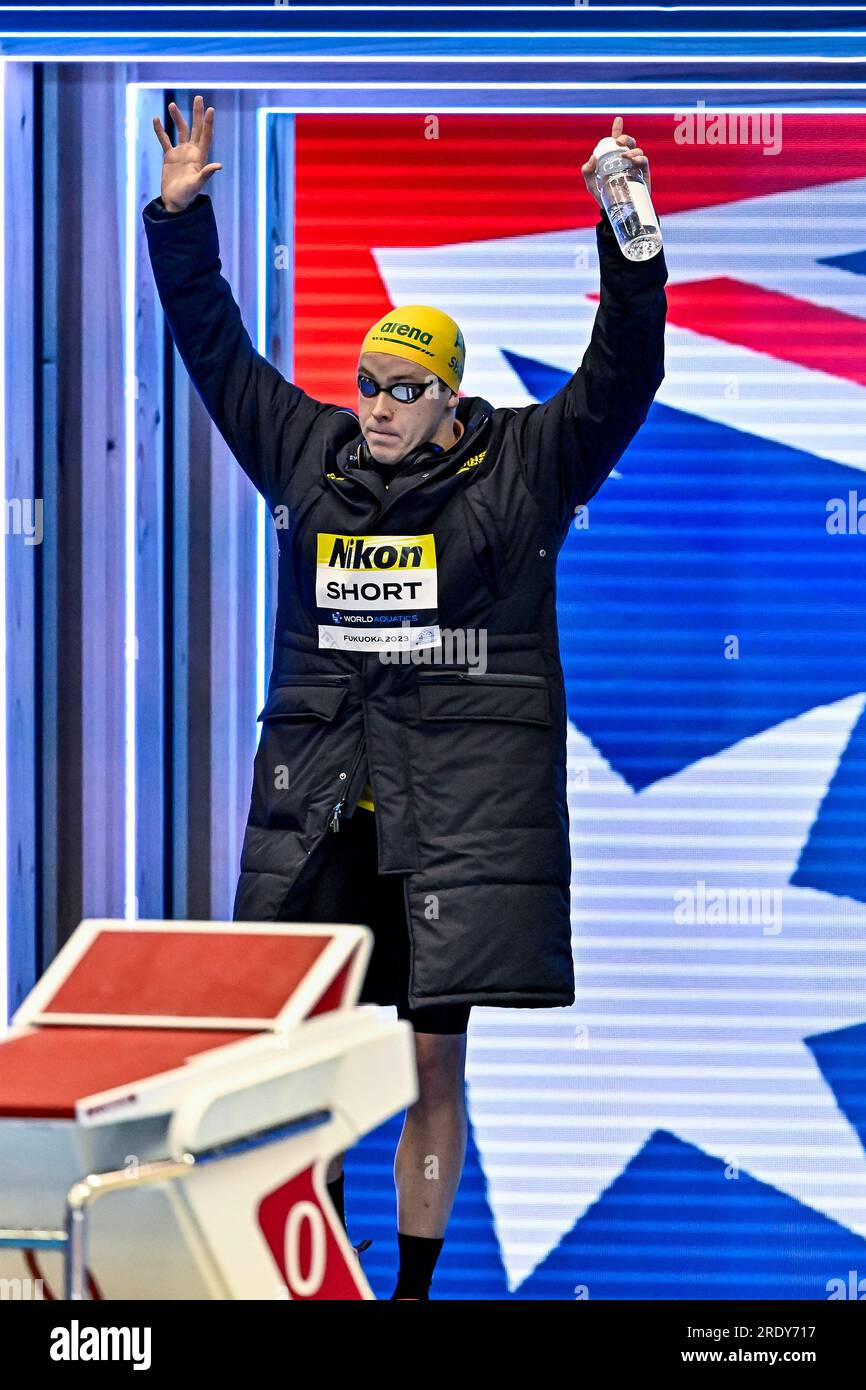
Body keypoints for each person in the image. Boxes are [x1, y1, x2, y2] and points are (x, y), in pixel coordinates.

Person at [144, 96, 668, 1300]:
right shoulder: (311, 454)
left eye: (399, 386)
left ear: (447, 399)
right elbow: (216, 351)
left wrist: (626, 226)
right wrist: (181, 220)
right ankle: (306, 1274)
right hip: (324, 817)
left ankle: (414, 1298)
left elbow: (623, 369)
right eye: (365, 382)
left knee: (433, 1074)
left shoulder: (524, 469)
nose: (373, 403)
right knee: (303, 1076)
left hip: (453, 828)